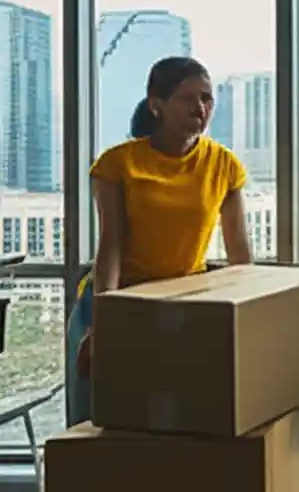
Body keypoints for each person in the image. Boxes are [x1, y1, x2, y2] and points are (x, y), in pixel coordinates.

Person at [67, 57, 252, 423]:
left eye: (207, 98)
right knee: (100, 420)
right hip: (116, 299)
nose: (200, 109)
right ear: (157, 104)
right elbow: (111, 247)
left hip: (181, 307)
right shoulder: (118, 164)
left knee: (173, 419)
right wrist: (102, 324)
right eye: (188, 98)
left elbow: (241, 259)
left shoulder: (223, 164)